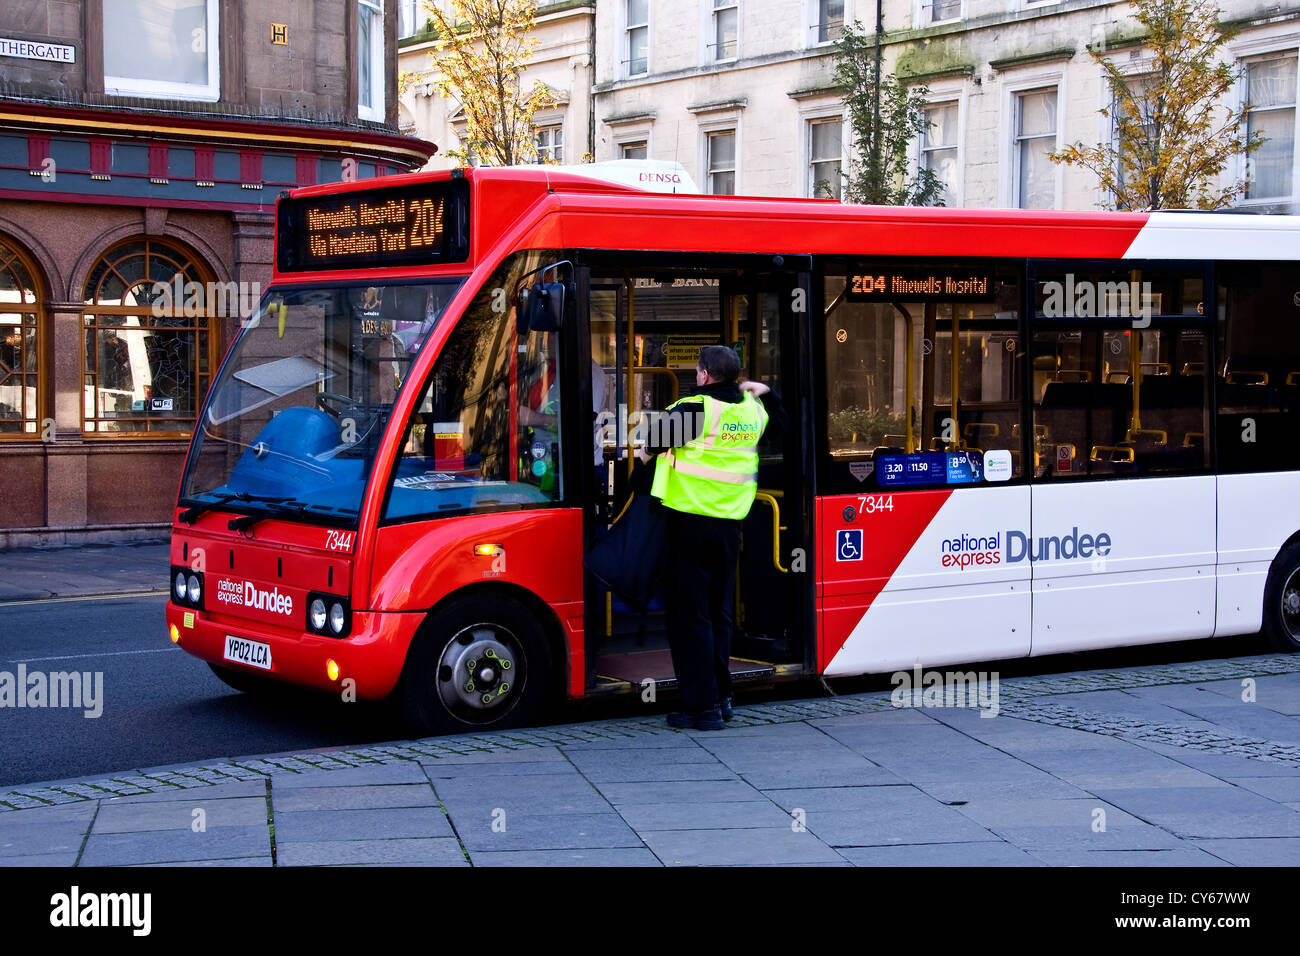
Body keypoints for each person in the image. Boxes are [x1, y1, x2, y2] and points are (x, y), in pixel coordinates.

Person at [637, 344, 785, 731]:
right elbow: (783, 422)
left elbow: (650, 446)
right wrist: (765, 390)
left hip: (689, 524)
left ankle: (701, 707)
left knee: (690, 618)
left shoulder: (697, 408)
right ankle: (721, 698)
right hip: (730, 526)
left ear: (703, 373)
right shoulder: (752, 410)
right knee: (719, 616)